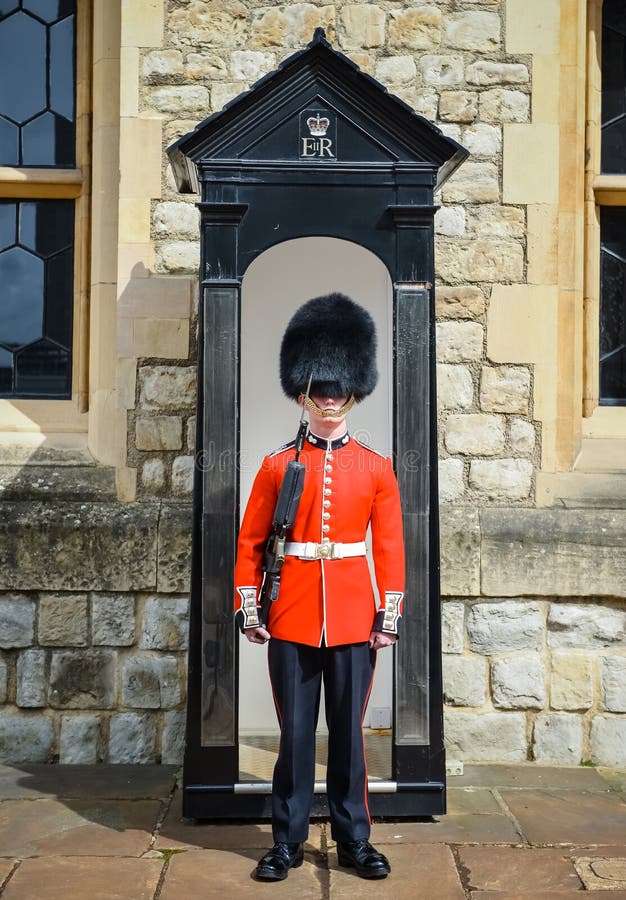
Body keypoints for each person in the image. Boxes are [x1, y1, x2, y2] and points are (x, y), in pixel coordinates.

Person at [234, 293, 405, 881]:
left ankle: (356, 838)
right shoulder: (277, 465)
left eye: (339, 390)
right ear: (303, 393)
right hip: (292, 616)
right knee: (296, 735)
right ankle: (286, 839)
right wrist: (251, 606)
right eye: (321, 390)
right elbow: (250, 542)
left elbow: (388, 548)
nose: (330, 400)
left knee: (350, 738)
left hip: (355, 617)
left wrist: (389, 615)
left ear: (354, 390)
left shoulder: (376, 467)